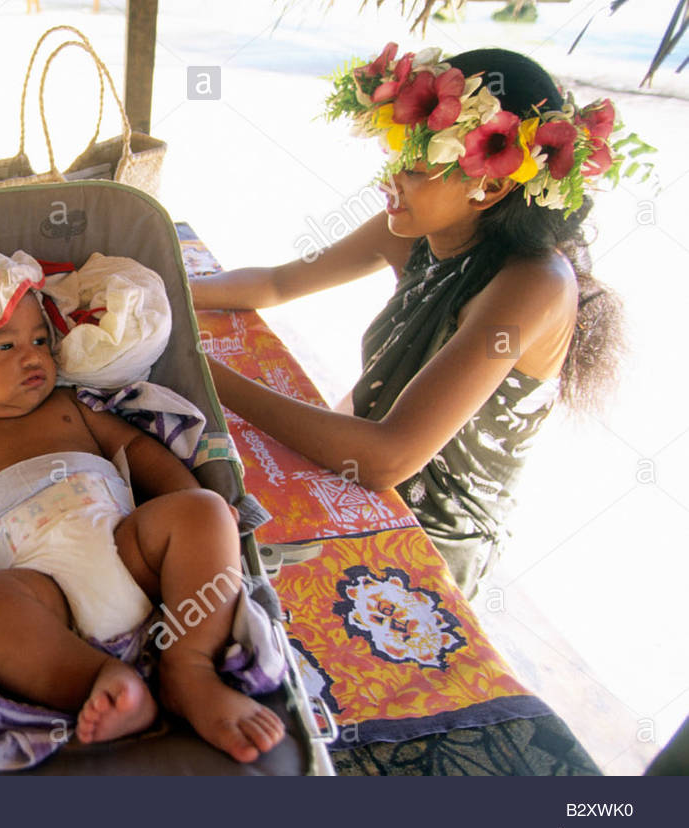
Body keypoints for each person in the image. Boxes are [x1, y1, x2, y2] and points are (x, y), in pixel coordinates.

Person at [191, 45, 639, 596]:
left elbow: (388, 458)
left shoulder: (532, 285)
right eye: (397, 156)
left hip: (433, 535)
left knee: (215, 557)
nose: (391, 178)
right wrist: (169, 290)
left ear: (493, 184)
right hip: (364, 463)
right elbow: (278, 283)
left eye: (417, 168)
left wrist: (201, 370)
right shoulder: (417, 229)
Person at [0, 239, 284, 764]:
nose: (33, 356)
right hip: (41, 598)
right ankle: (102, 681)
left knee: (205, 511)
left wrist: (186, 493)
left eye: (41, 340)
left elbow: (139, 448)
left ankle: (188, 667)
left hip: (132, 555)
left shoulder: (72, 406)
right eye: (3, 346)